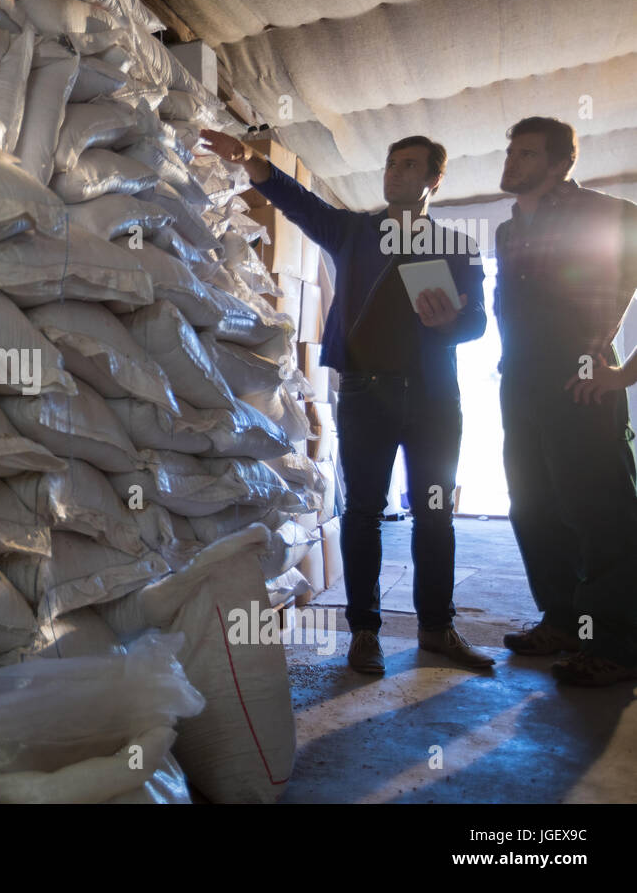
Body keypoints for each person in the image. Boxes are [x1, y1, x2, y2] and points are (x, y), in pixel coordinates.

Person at [198, 129, 493, 675]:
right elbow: (300, 203)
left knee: (434, 515)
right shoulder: (354, 232)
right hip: (365, 393)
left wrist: (452, 322)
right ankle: (364, 633)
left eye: (409, 166)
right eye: (391, 163)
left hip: (433, 399)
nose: (395, 172)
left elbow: (477, 321)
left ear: (434, 179)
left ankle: (436, 628)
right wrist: (253, 161)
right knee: (361, 514)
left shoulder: (456, 246)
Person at [495, 116, 637, 686]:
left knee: (600, 514)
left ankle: (619, 645)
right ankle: (562, 620)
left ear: (560, 165)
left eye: (527, 154)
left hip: (582, 383)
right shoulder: (508, 231)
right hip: (520, 384)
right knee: (533, 508)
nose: (512, 162)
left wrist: (624, 374)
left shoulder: (612, 216)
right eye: (511, 151)